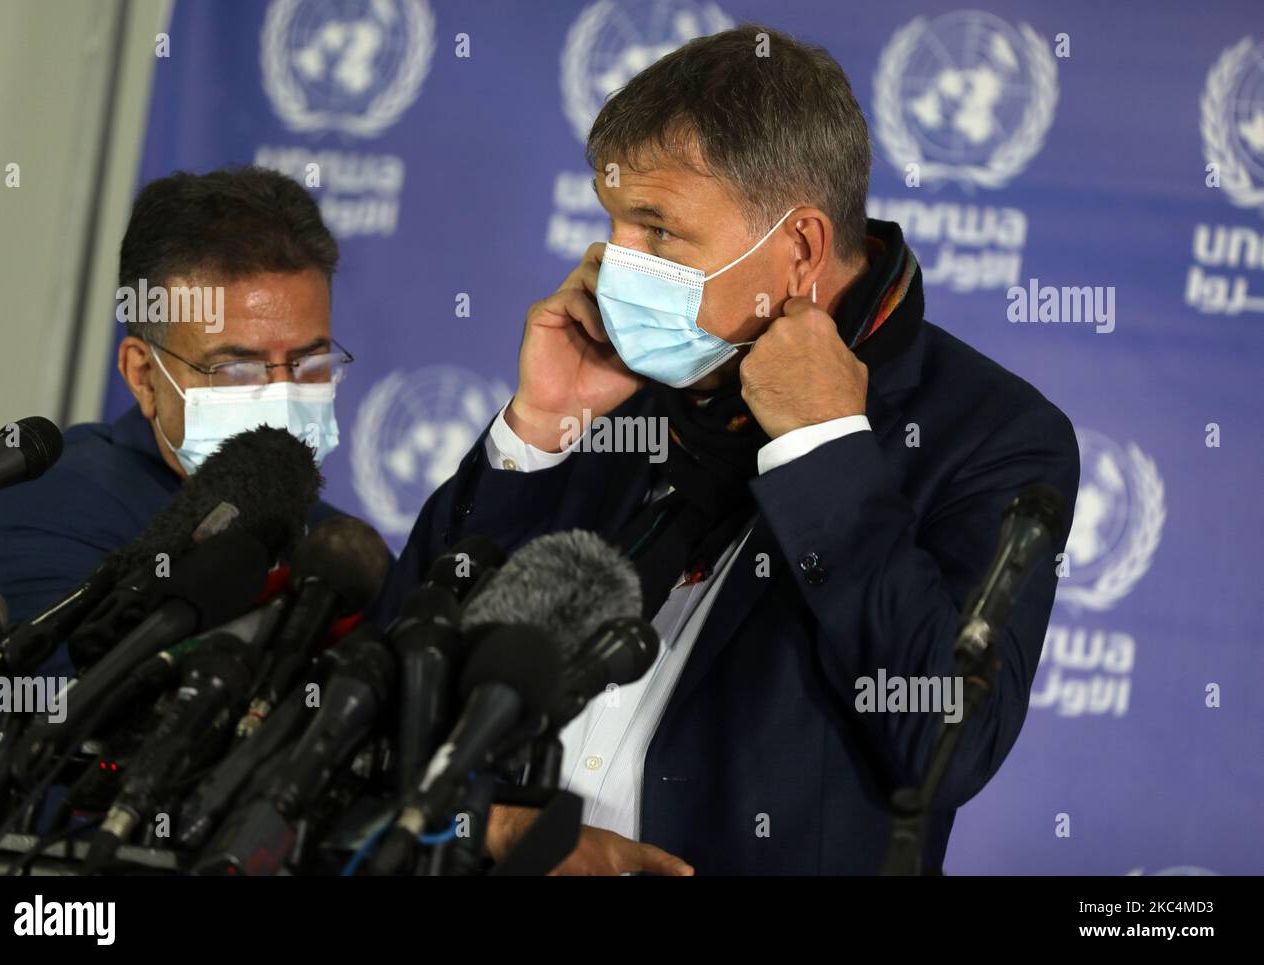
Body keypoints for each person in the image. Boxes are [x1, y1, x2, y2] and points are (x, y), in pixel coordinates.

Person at [393, 25, 1081, 875]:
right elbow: (403, 670)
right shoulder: (617, 378)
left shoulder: (992, 435)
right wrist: (538, 431)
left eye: (657, 231)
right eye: (611, 224)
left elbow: (946, 740)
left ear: (797, 251)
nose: (612, 268)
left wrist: (824, 448)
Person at [0, 166, 400, 686]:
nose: (285, 395)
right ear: (143, 376)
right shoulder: (50, 510)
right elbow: (73, 740)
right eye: (236, 368)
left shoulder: (338, 553)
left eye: (309, 363)